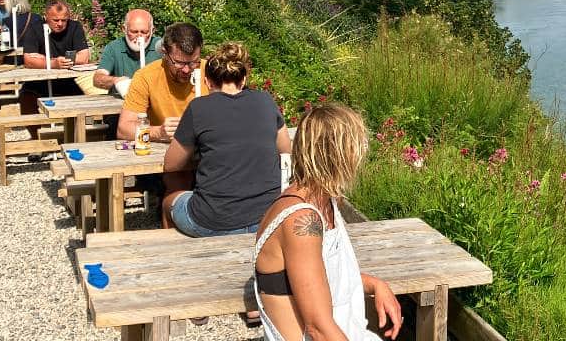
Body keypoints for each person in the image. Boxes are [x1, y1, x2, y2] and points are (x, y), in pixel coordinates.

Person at [254, 104, 402, 341]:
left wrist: (374, 284)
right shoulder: (300, 219)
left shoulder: (324, 201)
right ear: (338, 155)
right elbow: (318, 329)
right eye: (357, 146)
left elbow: (316, 280)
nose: (361, 155)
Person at [163, 42, 291, 237]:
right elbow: (285, 150)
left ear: (207, 82)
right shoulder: (265, 100)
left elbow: (171, 164)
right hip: (266, 217)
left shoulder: (198, 108)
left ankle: (176, 261)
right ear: (244, 79)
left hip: (212, 220)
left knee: (169, 201)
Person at [118, 22, 207, 226]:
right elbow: (124, 128)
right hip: (173, 155)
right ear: (165, 53)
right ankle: (171, 239)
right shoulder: (147, 77)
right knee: (180, 182)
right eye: (179, 63)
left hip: (209, 151)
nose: (186, 70)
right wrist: (158, 132)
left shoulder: (209, 71)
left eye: (193, 62)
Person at [20, 0, 91, 134]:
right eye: (55, 20)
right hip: (39, 82)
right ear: (46, 16)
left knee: (84, 100)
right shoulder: (35, 28)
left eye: (64, 20)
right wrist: (53, 63)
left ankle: (75, 137)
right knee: (26, 96)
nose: (60, 24)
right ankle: (36, 140)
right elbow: (29, 60)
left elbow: (84, 57)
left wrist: (63, 61)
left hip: (69, 81)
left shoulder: (75, 27)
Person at [93, 9, 161, 98]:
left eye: (144, 32)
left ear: (152, 31)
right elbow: (97, 79)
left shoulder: (162, 47)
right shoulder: (114, 47)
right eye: (134, 32)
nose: (139, 37)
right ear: (124, 29)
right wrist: (116, 81)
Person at [1, 0, 41, 66]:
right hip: (34, 58)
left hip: (12, 59)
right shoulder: (36, 18)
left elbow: (5, 43)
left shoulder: (7, 21)